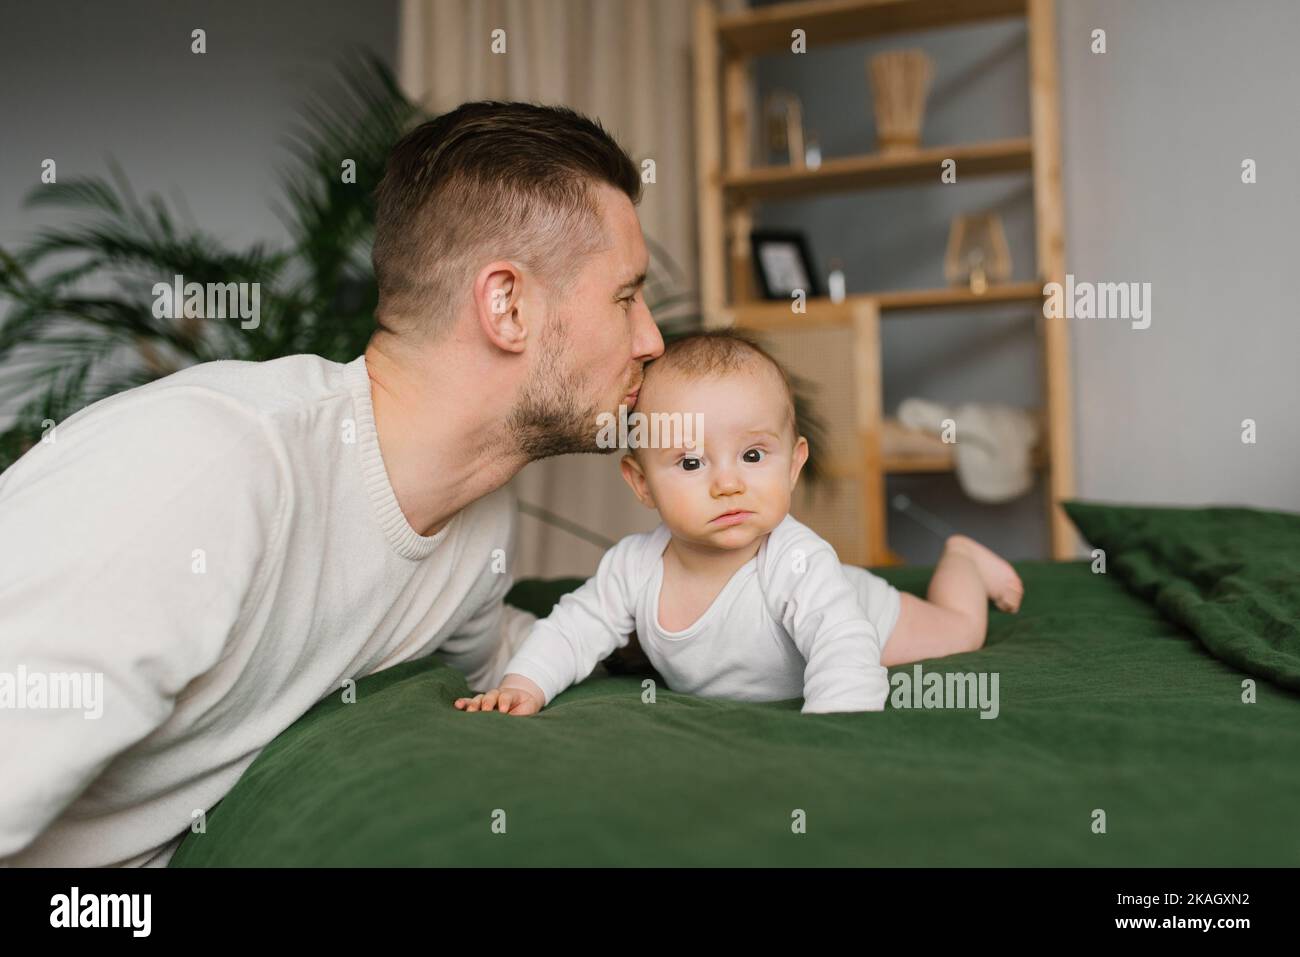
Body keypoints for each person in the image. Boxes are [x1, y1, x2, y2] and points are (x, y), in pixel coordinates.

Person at [0, 101, 664, 866]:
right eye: (626, 297)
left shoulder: (476, 518)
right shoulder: (213, 471)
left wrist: (680, 618)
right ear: (507, 305)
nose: (651, 339)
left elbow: (500, 651)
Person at [454, 331, 1024, 716]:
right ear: (642, 482)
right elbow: (573, 628)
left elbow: (844, 647)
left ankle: (963, 559)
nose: (727, 483)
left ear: (795, 462)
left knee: (959, 631)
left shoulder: (796, 560)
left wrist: (835, 732)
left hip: (864, 611)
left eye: (753, 456)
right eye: (692, 462)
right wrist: (522, 684)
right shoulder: (633, 566)